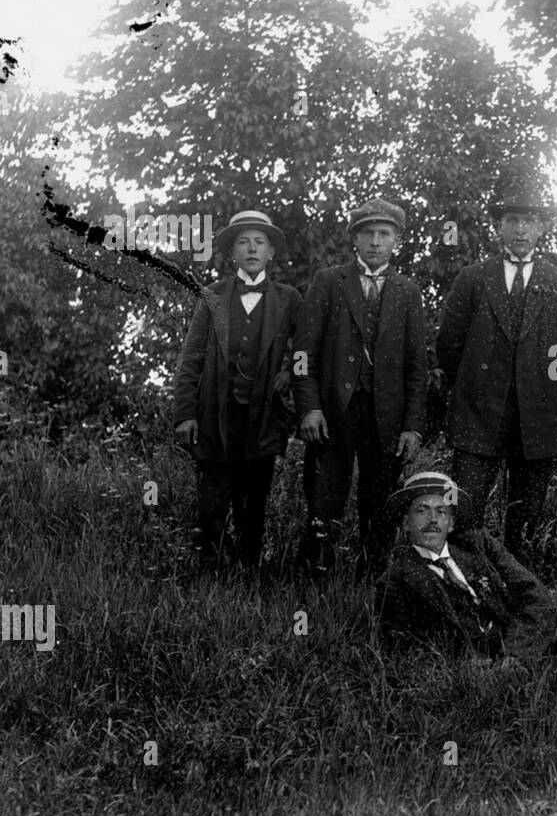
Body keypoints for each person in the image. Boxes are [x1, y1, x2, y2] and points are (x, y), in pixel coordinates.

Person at [436, 196, 557, 573]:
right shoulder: (473, 278)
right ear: (499, 227)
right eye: (513, 221)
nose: (520, 229)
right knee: (465, 510)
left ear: (542, 229)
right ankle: (466, 585)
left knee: (526, 519)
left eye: (529, 222)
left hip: (539, 420)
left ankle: (519, 594)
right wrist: (476, 386)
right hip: (479, 416)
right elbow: (449, 345)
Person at [376, 472, 557, 662]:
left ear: (452, 523)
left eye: (441, 511)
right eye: (422, 510)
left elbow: (534, 594)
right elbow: (404, 647)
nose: (432, 520)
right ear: (406, 522)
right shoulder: (396, 579)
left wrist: (516, 652)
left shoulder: (478, 545)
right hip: (491, 660)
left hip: (537, 625)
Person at [293, 198, 427, 574]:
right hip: (333, 413)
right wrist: (310, 406)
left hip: (386, 417)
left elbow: (417, 367)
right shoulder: (328, 281)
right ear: (354, 238)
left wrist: (412, 426)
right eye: (367, 232)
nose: (375, 241)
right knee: (323, 503)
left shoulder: (407, 292)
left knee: (381, 506)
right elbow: (302, 353)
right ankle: (316, 584)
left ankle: (374, 587)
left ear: (396, 240)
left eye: (384, 234)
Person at [172, 210, 302, 568]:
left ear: (271, 251)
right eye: (243, 241)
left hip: (263, 417)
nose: (252, 248)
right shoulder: (212, 295)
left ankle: (249, 579)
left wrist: (289, 371)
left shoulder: (288, 298)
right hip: (216, 415)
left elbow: (306, 347)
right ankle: (208, 578)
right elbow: (192, 356)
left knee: (253, 503)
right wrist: (185, 414)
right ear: (232, 252)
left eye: (260, 242)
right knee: (211, 503)